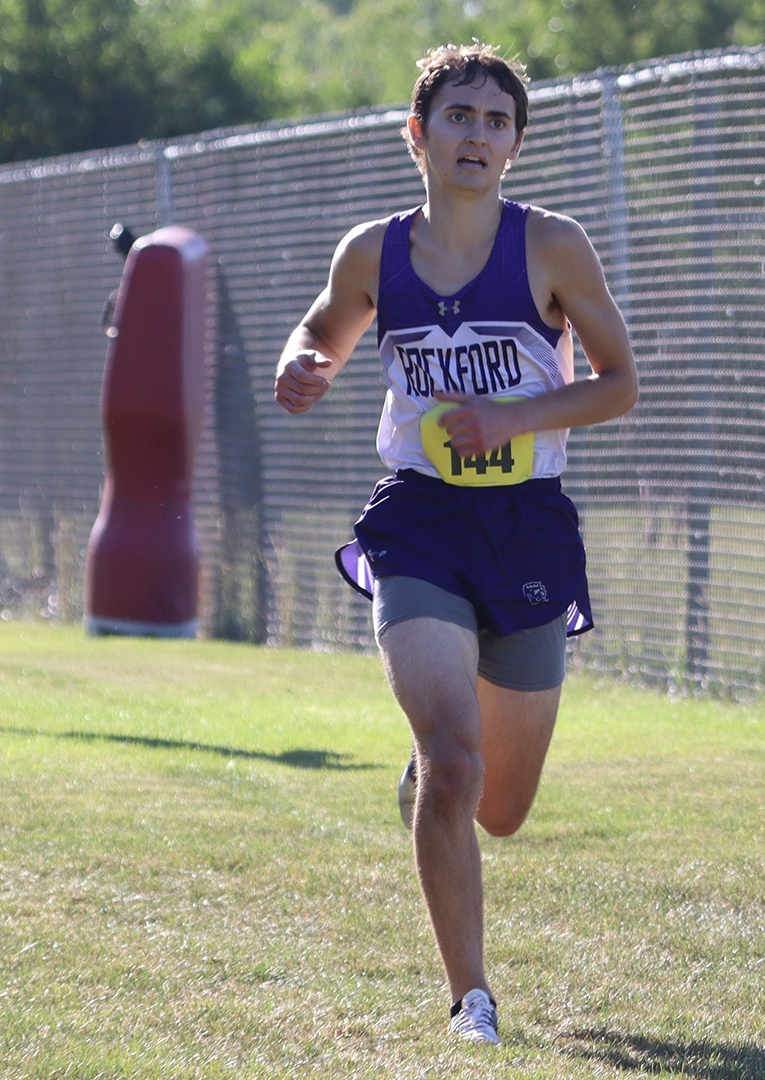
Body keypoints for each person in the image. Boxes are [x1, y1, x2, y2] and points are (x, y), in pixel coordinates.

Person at [275, 43, 636, 1045]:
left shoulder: (552, 247)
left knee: (503, 806)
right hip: (419, 517)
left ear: (515, 145)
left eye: (495, 121)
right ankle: (469, 1000)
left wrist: (512, 422)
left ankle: (434, 780)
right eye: (458, 117)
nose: (476, 135)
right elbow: (318, 338)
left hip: (525, 524)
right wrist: (302, 368)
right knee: (453, 757)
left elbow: (618, 383)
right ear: (418, 134)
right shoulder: (372, 252)